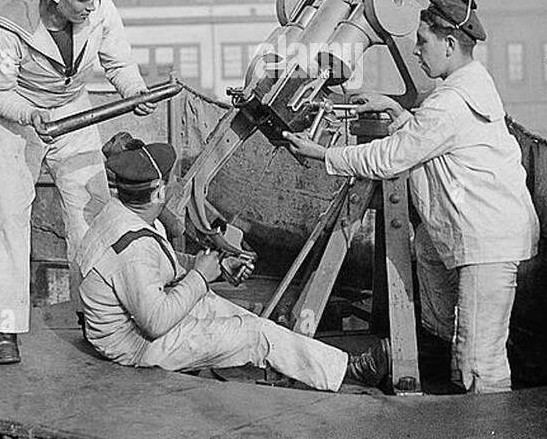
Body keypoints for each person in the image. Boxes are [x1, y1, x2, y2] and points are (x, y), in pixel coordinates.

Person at [284, 0, 539, 394]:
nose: (416, 50)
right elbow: (434, 138)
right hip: (481, 233)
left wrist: (323, 154)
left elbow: (392, 157)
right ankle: (463, 419)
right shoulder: (469, 85)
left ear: (450, 45)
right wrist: (395, 109)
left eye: (422, 41)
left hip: (488, 244)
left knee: (481, 363)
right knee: (438, 285)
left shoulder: (452, 102)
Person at [76, 138, 390, 391]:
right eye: (169, 184)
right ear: (158, 192)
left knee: (231, 313)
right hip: (135, 346)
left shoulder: (120, 214)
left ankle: (297, 358)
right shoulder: (133, 246)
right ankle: (351, 371)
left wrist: (216, 268)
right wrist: (199, 275)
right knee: (256, 335)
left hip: (136, 326)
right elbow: (155, 321)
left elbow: (155, 269)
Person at [0, 0, 153, 365]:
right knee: (5, 218)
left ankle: (93, 315)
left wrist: (134, 90)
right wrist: (30, 114)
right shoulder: (8, 25)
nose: (92, 7)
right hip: (17, 115)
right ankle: (3, 330)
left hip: (73, 109)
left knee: (91, 211)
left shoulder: (100, 8)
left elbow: (119, 62)